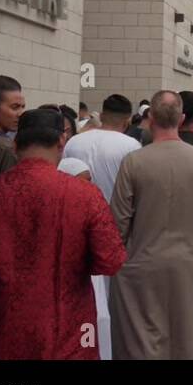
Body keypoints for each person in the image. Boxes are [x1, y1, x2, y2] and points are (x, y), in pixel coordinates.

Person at [0, 109, 126, 359]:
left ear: (15, 144)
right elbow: (111, 260)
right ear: (61, 142)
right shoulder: (85, 195)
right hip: (68, 332)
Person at [109, 91, 193, 360]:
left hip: (140, 262)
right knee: (184, 335)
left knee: (140, 336)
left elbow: (118, 220)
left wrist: (114, 256)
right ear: (181, 119)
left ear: (151, 117)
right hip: (187, 261)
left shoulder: (134, 161)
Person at [61, 94, 141, 360]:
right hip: (116, 229)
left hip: (73, 227)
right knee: (111, 300)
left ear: (102, 114)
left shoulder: (74, 141)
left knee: (84, 296)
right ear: (127, 121)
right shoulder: (130, 144)